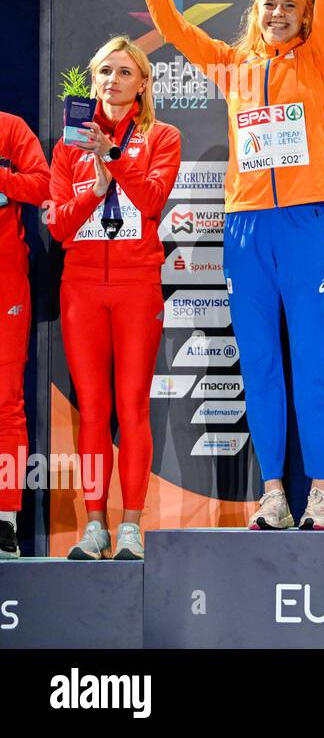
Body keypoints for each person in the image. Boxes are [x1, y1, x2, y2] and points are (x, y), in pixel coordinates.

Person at [104, 0, 324, 530]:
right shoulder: (234, 65)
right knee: (261, 366)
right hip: (243, 228)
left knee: (313, 364)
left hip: (301, 224)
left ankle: (321, 490)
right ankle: (274, 490)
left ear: (304, 17)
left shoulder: (321, 59)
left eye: (288, 6)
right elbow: (176, 31)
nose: (276, 13)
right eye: (269, 4)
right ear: (257, 11)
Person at [48, 36, 181, 559]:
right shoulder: (67, 145)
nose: (112, 81)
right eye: (105, 71)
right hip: (81, 283)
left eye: (125, 72)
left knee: (132, 406)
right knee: (94, 408)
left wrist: (116, 159)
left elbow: (150, 201)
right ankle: (94, 525)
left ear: (143, 83)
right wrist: (93, 187)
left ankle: (130, 527)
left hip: (135, 282)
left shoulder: (162, 136)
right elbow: (58, 226)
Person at [0, 111, 51, 558]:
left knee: (7, 402)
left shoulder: (10, 128)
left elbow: (42, 185)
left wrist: (4, 181)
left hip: (6, 280)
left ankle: (5, 522)